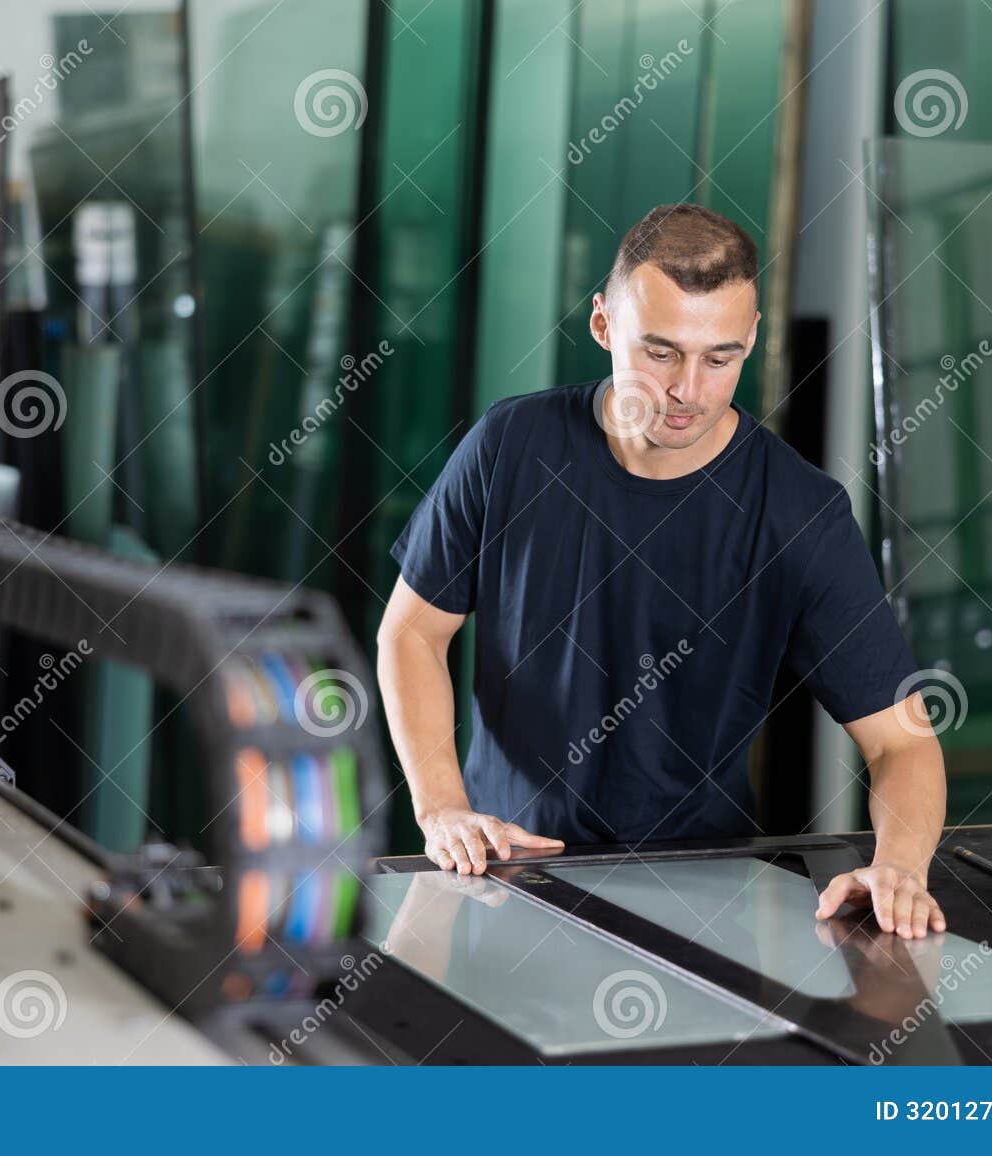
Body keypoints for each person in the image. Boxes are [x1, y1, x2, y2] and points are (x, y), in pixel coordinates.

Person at [376, 203, 947, 938]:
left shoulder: (800, 513)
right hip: (503, 880)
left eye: (720, 358)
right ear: (602, 326)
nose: (687, 390)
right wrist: (441, 806)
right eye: (660, 351)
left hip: (701, 896)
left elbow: (901, 739)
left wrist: (899, 865)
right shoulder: (509, 448)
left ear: (751, 340)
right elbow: (414, 634)